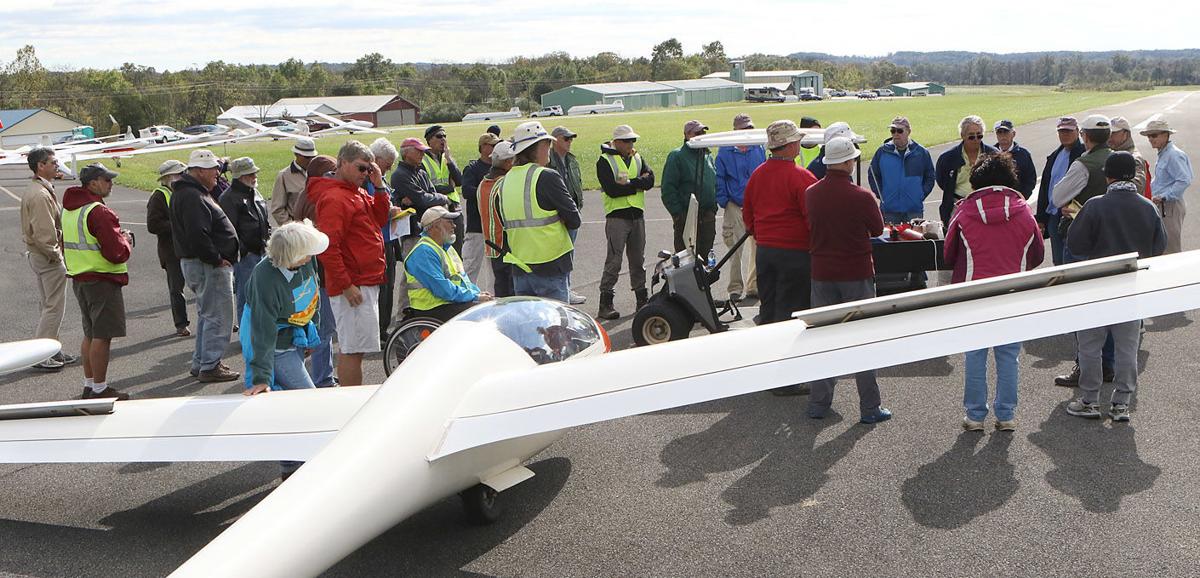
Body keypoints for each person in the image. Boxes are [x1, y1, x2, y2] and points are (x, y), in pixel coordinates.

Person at [944, 154, 1044, 431]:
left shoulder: (964, 211)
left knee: (975, 355)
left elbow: (949, 254)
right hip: (1012, 292)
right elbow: (1037, 254)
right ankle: (1006, 414)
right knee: (1009, 356)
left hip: (974, 292)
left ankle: (975, 415)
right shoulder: (1024, 211)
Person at [1064, 152, 1167, 422]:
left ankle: (1090, 399)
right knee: (1126, 348)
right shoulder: (1147, 207)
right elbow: (1159, 246)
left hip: (1097, 285)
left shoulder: (1095, 205)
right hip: (1132, 285)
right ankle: (1122, 402)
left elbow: (1075, 245)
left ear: (1107, 176)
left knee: (1090, 346)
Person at [803, 137, 891, 423]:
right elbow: (877, 229)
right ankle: (869, 407)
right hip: (855, 272)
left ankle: (819, 402)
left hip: (822, 272)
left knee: (823, 339)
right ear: (848, 162)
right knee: (862, 340)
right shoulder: (861, 196)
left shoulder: (811, 193)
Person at [239, 220, 328, 482]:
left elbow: (313, 294)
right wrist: (261, 377)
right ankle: (302, 465)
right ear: (292, 255)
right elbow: (262, 331)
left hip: (294, 335)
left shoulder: (306, 261)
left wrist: (311, 334)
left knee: (290, 405)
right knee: (309, 402)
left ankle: (290, 466)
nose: (312, 256)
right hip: (275, 344)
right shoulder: (264, 278)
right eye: (307, 252)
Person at [311, 141, 395, 387]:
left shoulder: (355, 192)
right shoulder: (335, 197)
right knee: (352, 349)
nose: (365, 174)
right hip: (354, 284)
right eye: (361, 168)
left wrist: (379, 186)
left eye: (369, 169)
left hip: (364, 280)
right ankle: (351, 399)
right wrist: (346, 285)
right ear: (342, 163)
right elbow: (328, 247)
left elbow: (380, 218)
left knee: (357, 348)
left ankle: (353, 397)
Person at [1050, 115, 1116, 387]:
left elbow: (1057, 197)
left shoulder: (1083, 164)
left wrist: (1075, 208)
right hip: (1112, 240)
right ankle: (1108, 364)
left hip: (1083, 239)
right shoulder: (1120, 159)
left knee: (1082, 304)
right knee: (1110, 305)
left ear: (1085, 136)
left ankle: (1085, 365)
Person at [63, 164, 133, 400]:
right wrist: (126, 240)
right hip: (102, 279)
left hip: (80, 277)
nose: (111, 184)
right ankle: (100, 389)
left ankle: (90, 384)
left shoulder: (70, 210)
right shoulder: (98, 211)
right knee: (102, 335)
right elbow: (116, 252)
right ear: (93, 183)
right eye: (107, 180)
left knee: (91, 333)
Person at [172, 149, 241, 383]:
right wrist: (216, 258)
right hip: (206, 265)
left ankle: (202, 362)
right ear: (200, 171)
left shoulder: (188, 192)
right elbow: (198, 234)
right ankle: (210, 365)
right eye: (214, 169)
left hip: (198, 263)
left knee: (207, 314)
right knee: (217, 316)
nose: (218, 174)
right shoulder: (193, 196)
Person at [496, 121, 581, 302]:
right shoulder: (546, 176)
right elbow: (574, 219)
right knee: (555, 319)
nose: (549, 148)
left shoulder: (504, 181)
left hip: (520, 266)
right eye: (547, 143)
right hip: (550, 264)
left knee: (528, 319)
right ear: (538, 146)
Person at [743, 120, 817, 326]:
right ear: (791, 145)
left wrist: (761, 235)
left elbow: (748, 214)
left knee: (768, 306)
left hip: (765, 251)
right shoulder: (801, 176)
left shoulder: (757, 174)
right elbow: (812, 217)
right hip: (795, 252)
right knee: (793, 311)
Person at [21, 146, 76, 370]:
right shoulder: (40, 194)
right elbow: (45, 233)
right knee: (53, 307)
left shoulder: (39, 189)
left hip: (39, 255)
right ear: (40, 166)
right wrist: (57, 256)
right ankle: (42, 355)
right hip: (47, 257)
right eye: (52, 162)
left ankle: (52, 350)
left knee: (48, 305)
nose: (57, 165)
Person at [595, 124, 655, 319]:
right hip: (617, 217)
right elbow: (612, 190)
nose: (631, 144)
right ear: (617, 142)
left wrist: (630, 184)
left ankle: (641, 299)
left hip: (637, 215)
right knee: (614, 261)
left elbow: (651, 180)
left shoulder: (637, 157)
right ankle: (605, 303)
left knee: (638, 260)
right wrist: (638, 184)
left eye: (633, 140)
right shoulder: (604, 161)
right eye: (628, 141)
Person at [391, 137, 449, 314]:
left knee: (428, 270)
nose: (422, 154)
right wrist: (439, 198)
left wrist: (434, 198)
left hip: (426, 230)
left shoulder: (421, 172)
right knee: (411, 273)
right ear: (406, 153)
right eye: (418, 151)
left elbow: (430, 195)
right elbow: (423, 199)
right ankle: (403, 312)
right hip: (411, 232)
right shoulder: (400, 175)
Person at [405, 205, 493, 322]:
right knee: (484, 313)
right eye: (449, 222)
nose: (454, 226)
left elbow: (463, 279)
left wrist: (476, 293)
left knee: (493, 304)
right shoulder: (423, 251)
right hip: (433, 308)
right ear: (435, 226)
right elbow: (441, 288)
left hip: (449, 302)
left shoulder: (446, 248)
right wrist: (475, 297)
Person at [297, 155, 339, 388]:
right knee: (324, 328)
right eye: (332, 172)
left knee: (320, 327)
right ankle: (322, 378)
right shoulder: (318, 199)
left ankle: (323, 374)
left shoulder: (306, 195)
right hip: (320, 273)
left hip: (311, 272)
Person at [715, 113, 765, 302]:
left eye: (749, 128)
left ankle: (754, 286)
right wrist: (724, 201)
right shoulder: (724, 151)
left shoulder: (758, 148)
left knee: (758, 246)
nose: (747, 132)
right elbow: (719, 177)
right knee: (735, 248)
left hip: (756, 205)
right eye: (744, 129)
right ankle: (735, 288)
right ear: (735, 130)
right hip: (734, 204)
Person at [220, 157, 271, 322]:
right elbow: (228, 230)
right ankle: (246, 333)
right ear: (240, 177)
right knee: (247, 297)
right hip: (246, 258)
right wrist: (243, 251)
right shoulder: (228, 198)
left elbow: (264, 219)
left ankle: (260, 330)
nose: (254, 176)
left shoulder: (255, 192)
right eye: (250, 174)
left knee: (263, 296)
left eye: (254, 172)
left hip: (262, 252)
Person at [145, 159, 191, 337]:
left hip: (189, 248)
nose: (184, 176)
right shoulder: (159, 196)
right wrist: (178, 225)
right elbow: (153, 225)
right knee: (176, 289)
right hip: (171, 251)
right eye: (180, 174)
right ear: (169, 177)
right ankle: (181, 324)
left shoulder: (183, 192)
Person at [662, 120, 717, 259]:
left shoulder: (707, 156)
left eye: (703, 132)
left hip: (707, 216)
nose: (701, 135)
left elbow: (713, 183)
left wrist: (713, 208)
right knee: (685, 259)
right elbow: (668, 188)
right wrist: (678, 214)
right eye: (697, 133)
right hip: (687, 216)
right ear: (687, 135)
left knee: (706, 259)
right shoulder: (677, 156)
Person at [1035, 117, 1086, 265]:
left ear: (1077, 132)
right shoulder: (1054, 155)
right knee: (1058, 260)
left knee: (1074, 259)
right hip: (1053, 215)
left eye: (1069, 131)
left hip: (1072, 215)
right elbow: (1045, 187)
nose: (1065, 135)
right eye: (1062, 131)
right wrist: (1041, 217)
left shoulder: (1084, 154)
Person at [867, 116, 935, 223]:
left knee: (914, 234)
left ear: (908, 131)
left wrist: (920, 195)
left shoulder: (921, 152)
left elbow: (930, 176)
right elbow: (873, 175)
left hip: (914, 210)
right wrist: (882, 195)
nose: (895, 134)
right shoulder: (882, 152)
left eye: (899, 131)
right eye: (893, 131)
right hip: (889, 210)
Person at [1142, 119, 1193, 254]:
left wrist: (1164, 196)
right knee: (1163, 245)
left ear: (1166, 135)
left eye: (1154, 135)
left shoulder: (1173, 155)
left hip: (1169, 206)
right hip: (1164, 205)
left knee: (1170, 247)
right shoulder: (1165, 153)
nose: (1150, 139)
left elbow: (1184, 180)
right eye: (1149, 136)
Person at [936, 115, 998, 225]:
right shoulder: (947, 158)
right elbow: (942, 181)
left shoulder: (994, 155)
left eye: (979, 135)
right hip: (958, 205)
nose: (976, 139)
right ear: (962, 135)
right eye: (971, 136)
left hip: (987, 206)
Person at [549, 125, 587, 306]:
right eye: (566, 138)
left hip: (571, 212)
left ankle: (566, 287)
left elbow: (577, 183)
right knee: (559, 255)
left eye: (571, 138)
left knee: (569, 253)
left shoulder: (571, 160)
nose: (570, 141)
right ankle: (562, 290)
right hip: (556, 216)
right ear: (555, 139)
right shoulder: (548, 160)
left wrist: (578, 206)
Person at [368, 137, 400, 343]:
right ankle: (377, 331)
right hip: (378, 239)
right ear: (377, 159)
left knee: (389, 286)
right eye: (387, 164)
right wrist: (391, 211)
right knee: (382, 288)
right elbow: (374, 209)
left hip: (388, 238)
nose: (389, 168)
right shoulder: (370, 180)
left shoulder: (381, 179)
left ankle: (383, 329)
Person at [462, 133, 499, 293]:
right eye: (492, 145)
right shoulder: (472, 169)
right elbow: (466, 191)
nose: (495, 148)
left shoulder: (498, 169)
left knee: (494, 268)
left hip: (494, 227)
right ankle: (466, 296)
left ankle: (493, 297)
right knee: (471, 265)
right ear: (483, 147)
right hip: (476, 226)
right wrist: (487, 191)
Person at [480, 141, 516, 297]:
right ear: (507, 162)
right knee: (512, 293)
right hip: (507, 246)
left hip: (493, 246)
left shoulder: (484, 183)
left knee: (501, 290)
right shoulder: (504, 183)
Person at [422, 125, 465, 253]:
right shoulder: (423, 160)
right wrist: (449, 187)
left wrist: (450, 160)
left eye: (445, 136)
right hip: (437, 208)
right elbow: (427, 188)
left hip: (454, 207)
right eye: (439, 136)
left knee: (457, 247)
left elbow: (459, 181)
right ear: (429, 140)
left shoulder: (447, 157)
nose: (443, 139)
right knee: (439, 247)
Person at [270, 138, 317, 226]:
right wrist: (293, 228)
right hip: (298, 229)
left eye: (313, 157)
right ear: (296, 154)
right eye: (307, 157)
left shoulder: (320, 172)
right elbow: (277, 209)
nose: (310, 160)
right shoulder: (283, 176)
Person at [990, 120, 1038, 199]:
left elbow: (1030, 179)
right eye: (999, 132)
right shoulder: (990, 154)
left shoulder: (1024, 154)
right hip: (995, 201)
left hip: (1016, 201)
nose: (1002, 136)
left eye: (1006, 132)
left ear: (1013, 134)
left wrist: (1022, 198)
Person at [1107, 117, 1150, 197]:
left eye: (1113, 133)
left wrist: (1115, 182)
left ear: (1126, 134)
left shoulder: (1134, 158)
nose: (1109, 137)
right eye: (1108, 133)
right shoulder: (1111, 153)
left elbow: (1139, 184)